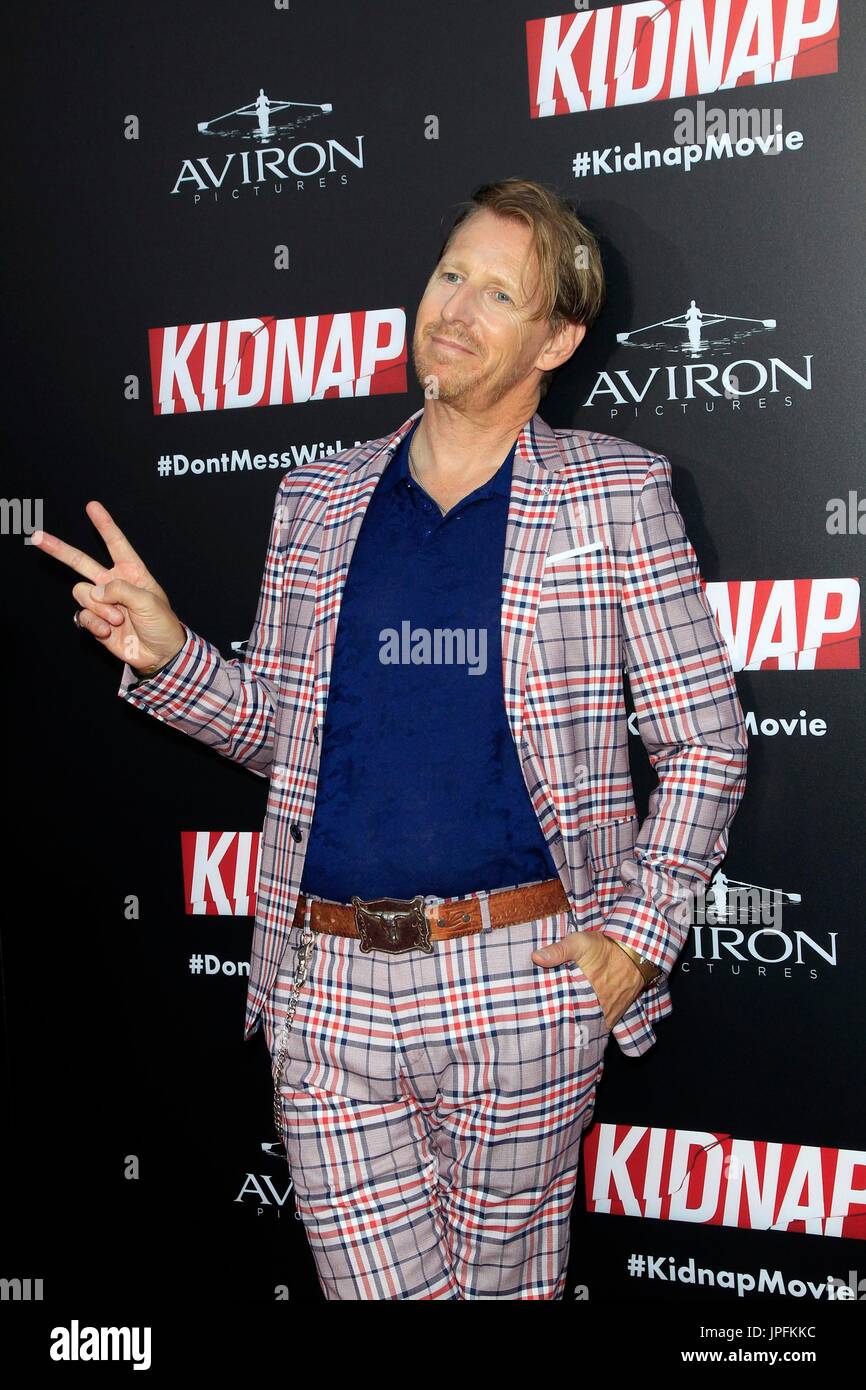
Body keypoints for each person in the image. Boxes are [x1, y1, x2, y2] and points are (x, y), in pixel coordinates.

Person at [33, 177, 748, 1300]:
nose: (454, 309)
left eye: (498, 294)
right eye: (448, 273)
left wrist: (637, 939)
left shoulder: (614, 494)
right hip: (324, 987)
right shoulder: (316, 499)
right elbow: (283, 737)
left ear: (555, 338)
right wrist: (171, 657)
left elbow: (704, 739)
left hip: (521, 980)